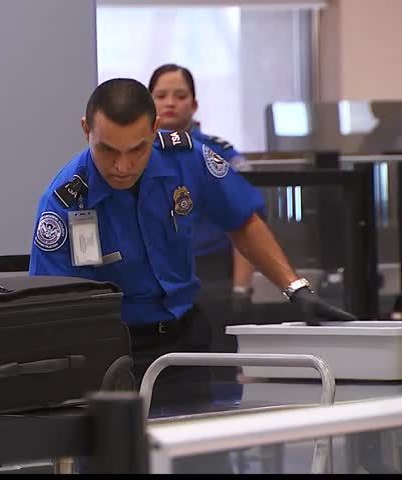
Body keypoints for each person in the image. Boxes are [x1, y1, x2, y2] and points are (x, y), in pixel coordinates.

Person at [28, 78, 355, 406]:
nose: (122, 167)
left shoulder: (187, 159)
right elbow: (53, 306)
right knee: (122, 454)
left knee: (195, 447)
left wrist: (295, 288)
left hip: (184, 340)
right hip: (112, 351)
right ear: (87, 130)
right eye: (107, 150)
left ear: (155, 128)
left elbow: (242, 220)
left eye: (137, 149)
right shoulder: (65, 202)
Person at [148, 64, 254, 377]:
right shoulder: (134, 155)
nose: (170, 102)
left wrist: (240, 289)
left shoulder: (218, 154)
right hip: (158, 282)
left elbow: (246, 222)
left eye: (180, 96)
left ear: (194, 104)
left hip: (212, 276)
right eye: (161, 95)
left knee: (219, 374)